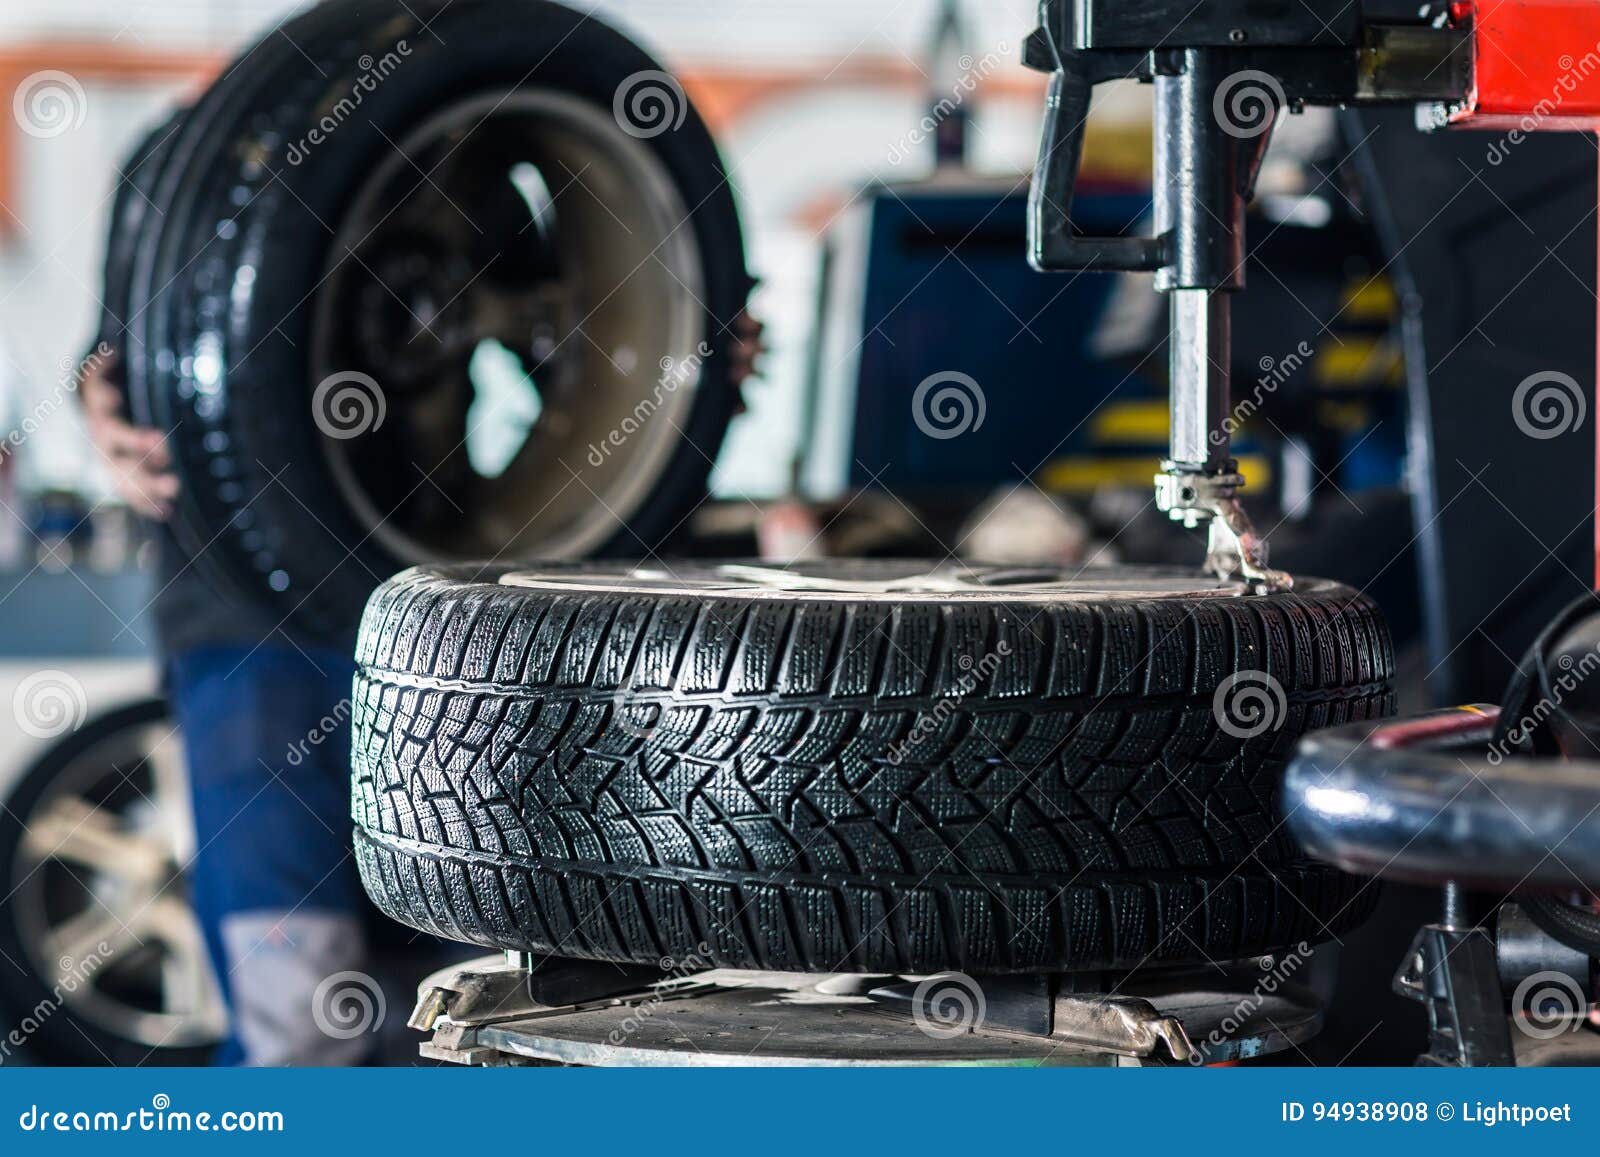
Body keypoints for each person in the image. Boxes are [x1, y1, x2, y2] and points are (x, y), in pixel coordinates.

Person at [79, 116, 764, 1066]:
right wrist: (103, 417)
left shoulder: (462, 143)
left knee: (481, 1005)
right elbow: (114, 359)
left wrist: (685, 359)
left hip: (451, 642)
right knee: (302, 1021)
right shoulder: (187, 154)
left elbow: (585, 327)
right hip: (258, 630)